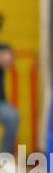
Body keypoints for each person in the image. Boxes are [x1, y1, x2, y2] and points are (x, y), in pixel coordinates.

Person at [0, 15, 17, 156]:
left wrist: (7, 57)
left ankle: (4, 158)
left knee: (12, 117)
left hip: (0, 103)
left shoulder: (3, 48)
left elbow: (9, 62)